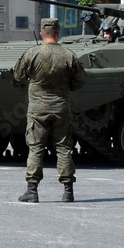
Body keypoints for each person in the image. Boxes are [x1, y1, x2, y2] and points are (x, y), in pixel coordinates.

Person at [12, 18, 86, 203]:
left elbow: (18, 74)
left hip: (38, 110)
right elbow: (80, 82)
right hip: (61, 108)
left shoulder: (32, 53)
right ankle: (68, 190)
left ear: (42, 33)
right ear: (58, 33)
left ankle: (32, 190)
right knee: (63, 148)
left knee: (36, 148)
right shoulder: (68, 55)